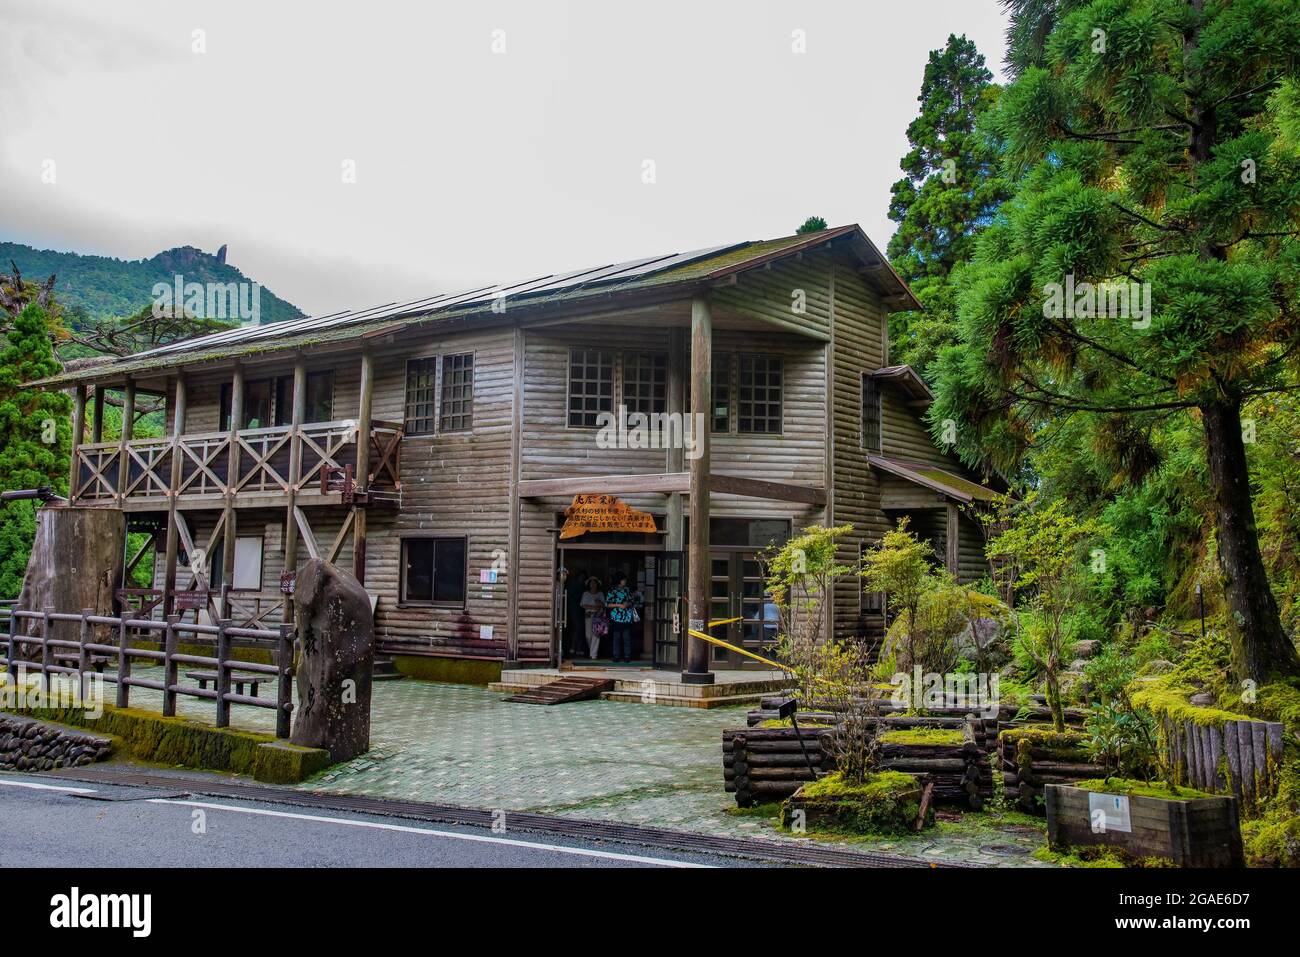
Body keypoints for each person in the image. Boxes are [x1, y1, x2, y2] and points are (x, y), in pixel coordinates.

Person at [605, 572, 637, 664]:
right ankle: (616, 656)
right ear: (619, 580)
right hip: (616, 617)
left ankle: (627, 656)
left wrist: (628, 604)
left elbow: (632, 601)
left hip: (626, 617)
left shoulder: (627, 590)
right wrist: (619, 605)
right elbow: (607, 604)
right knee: (617, 637)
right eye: (623, 579)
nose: (625, 581)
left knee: (626, 637)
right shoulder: (612, 590)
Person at [580, 576, 605, 659]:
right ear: (589, 585)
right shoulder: (585, 594)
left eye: (594, 583)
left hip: (598, 616)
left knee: (596, 635)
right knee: (588, 635)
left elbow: (603, 605)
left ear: (597, 584)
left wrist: (597, 604)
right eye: (591, 583)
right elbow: (583, 605)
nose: (593, 584)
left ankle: (593, 655)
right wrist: (594, 607)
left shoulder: (600, 594)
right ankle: (592, 651)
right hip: (588, 616)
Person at [565, 568, 588, 656]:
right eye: (581, 576)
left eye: (584, 577)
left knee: (581, 628)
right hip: (574, 609)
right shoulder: (574, 584)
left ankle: (578, 648)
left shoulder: (584, 585)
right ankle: (573, 647)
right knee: (577, 628)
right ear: (578, 576)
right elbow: (570, 596)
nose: (582, 578)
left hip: (582, 609)